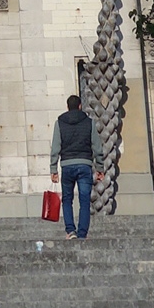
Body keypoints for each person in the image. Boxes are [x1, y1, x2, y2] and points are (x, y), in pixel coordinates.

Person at [49, 92, 105, 240]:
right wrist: (100, 168)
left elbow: (55, 147)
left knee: (67, 200)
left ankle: (70, 231)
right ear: (80, 106)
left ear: (67, 107)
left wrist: (53, 169)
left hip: (67, 165)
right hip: (85, 165)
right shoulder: (89, 122)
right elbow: (97, 147)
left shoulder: (59, 123)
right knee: (84, 200)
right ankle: (82, 233)